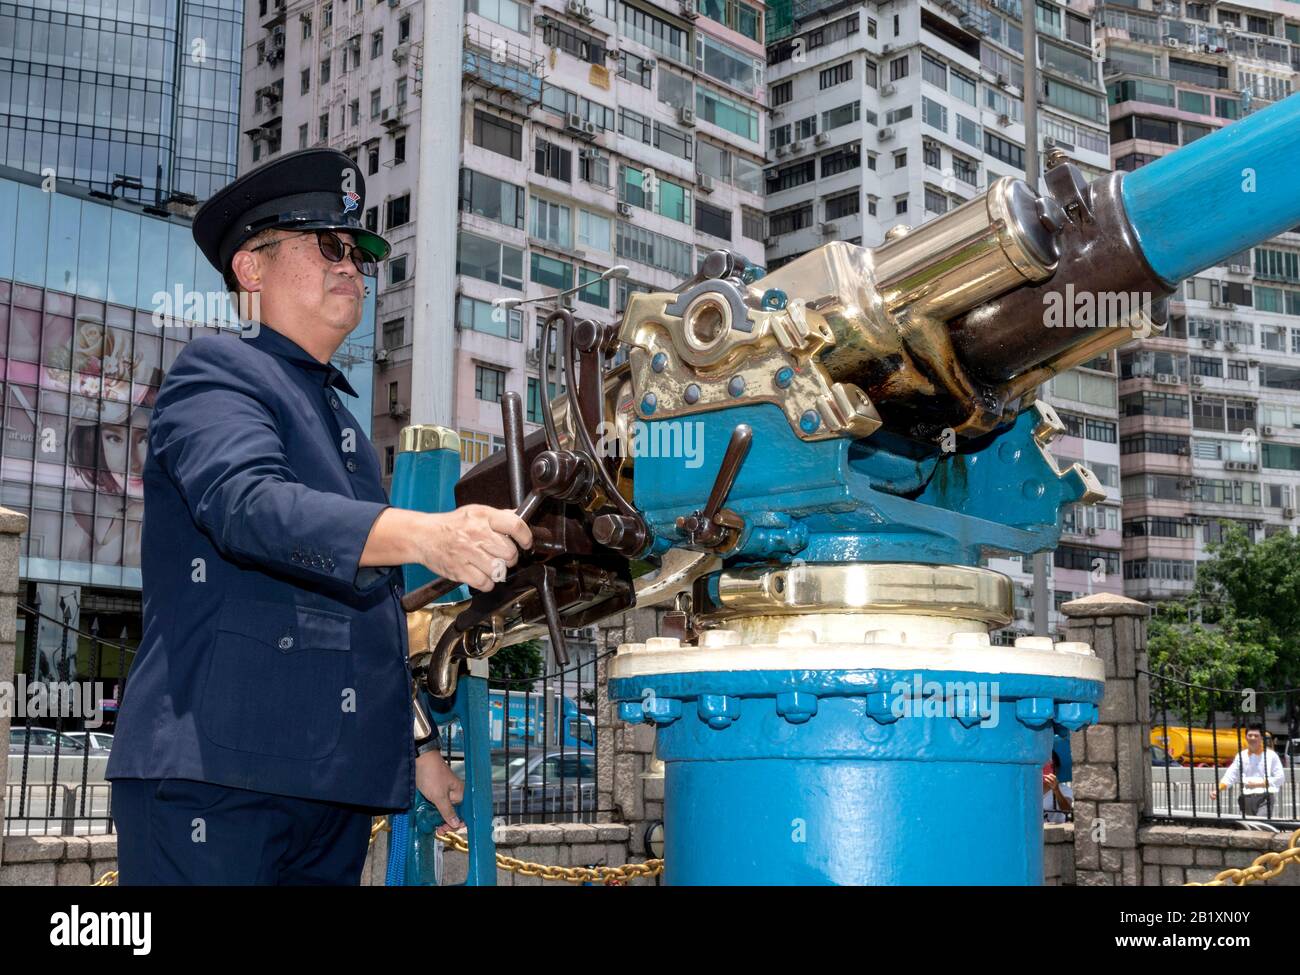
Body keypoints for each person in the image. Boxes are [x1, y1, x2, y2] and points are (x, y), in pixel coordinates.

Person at [105, 148, 532, 884]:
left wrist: (417, 747)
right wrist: (427, 533)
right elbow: (251, 507)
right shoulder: (217, 372)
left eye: (361, 252)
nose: (353, 266)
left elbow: (363, 610)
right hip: (219, 777)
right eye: (327, 245)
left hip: (327, 790)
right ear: (251, 268)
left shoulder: (345, 430)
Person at [1218, 722, 1286, 818]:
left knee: (1261, 824)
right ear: (1246, 737)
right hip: (1246, 798)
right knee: (1250, 826)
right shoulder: (1241, 755)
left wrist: (1260, 784)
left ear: (1261, 738)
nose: (1253, 738)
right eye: (1250, 735)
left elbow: (1280, 777)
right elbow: (1231, 774)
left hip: (1265, 797)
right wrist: (1219, 788)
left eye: (1256, 736)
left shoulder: (1271, 755)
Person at [1043, 751, 1073, 824]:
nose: (1045, 770)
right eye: (1043, 766)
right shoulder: (1029, 788)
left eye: (1051, 766)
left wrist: (1056, 790)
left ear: (1057, 769)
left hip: (1054, 832)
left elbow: (1067, 810)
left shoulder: (1064, 789)